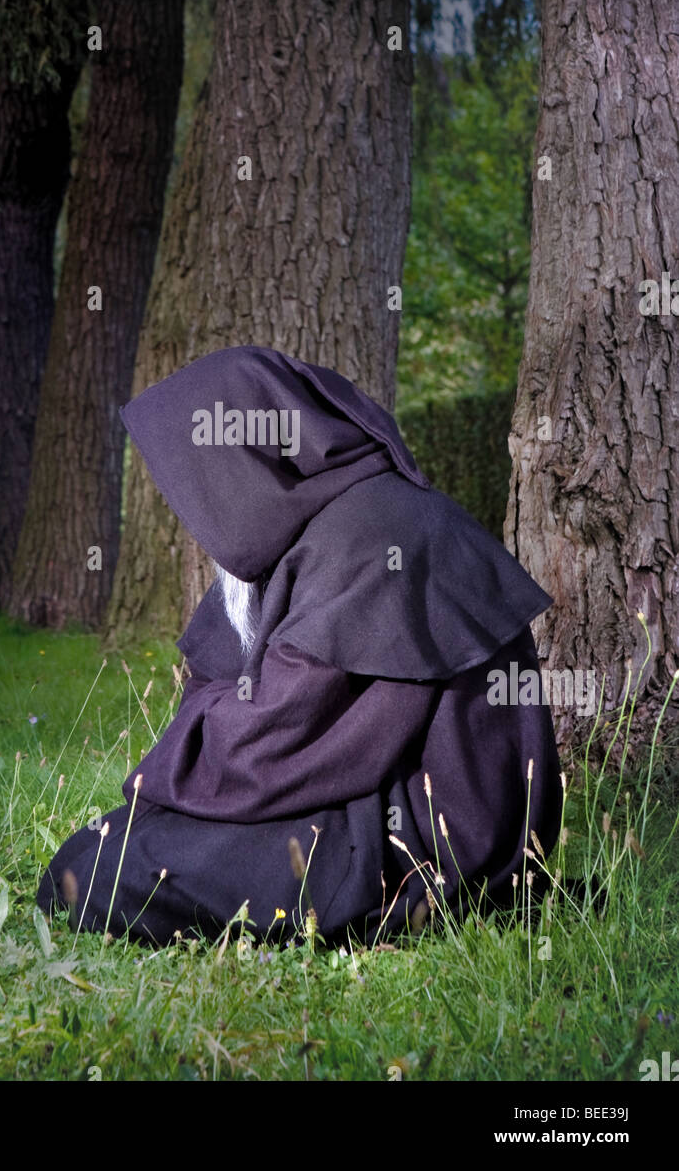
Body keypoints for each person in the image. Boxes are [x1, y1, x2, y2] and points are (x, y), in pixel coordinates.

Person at [37, 345, 562, 945]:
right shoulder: (319, 522)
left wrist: (175, 768)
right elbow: (222, 682)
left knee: (101, 873)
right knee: (113, 849)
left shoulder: (375, 537)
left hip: (422, 850)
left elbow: (274, 742)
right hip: (358, 798)